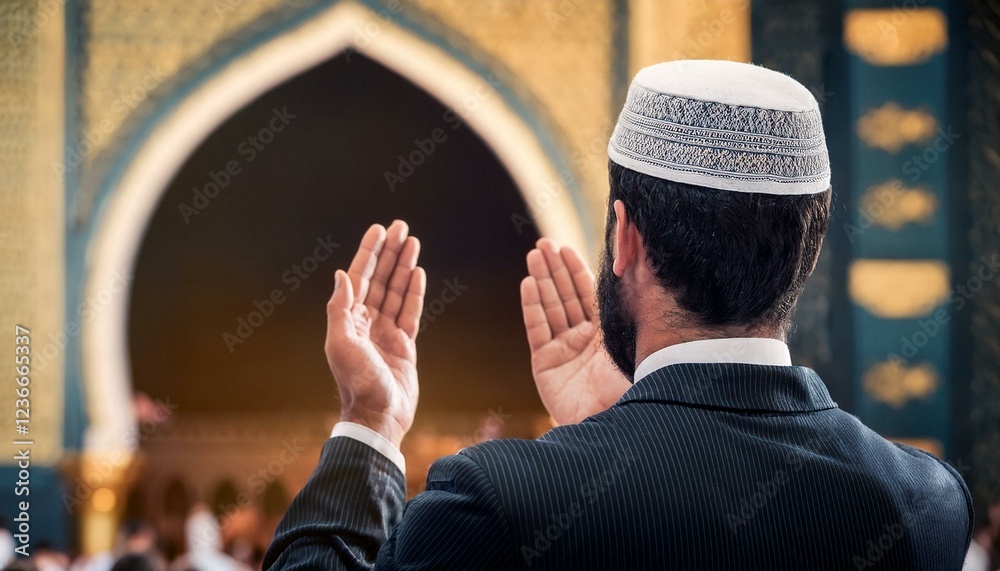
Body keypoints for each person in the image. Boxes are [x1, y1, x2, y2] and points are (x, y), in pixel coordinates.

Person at [263, 60, 973, 569]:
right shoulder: (923, 507)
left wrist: (369, 424)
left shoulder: (500, 503)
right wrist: (625, 432)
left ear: (624, 235)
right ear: (809, 255)